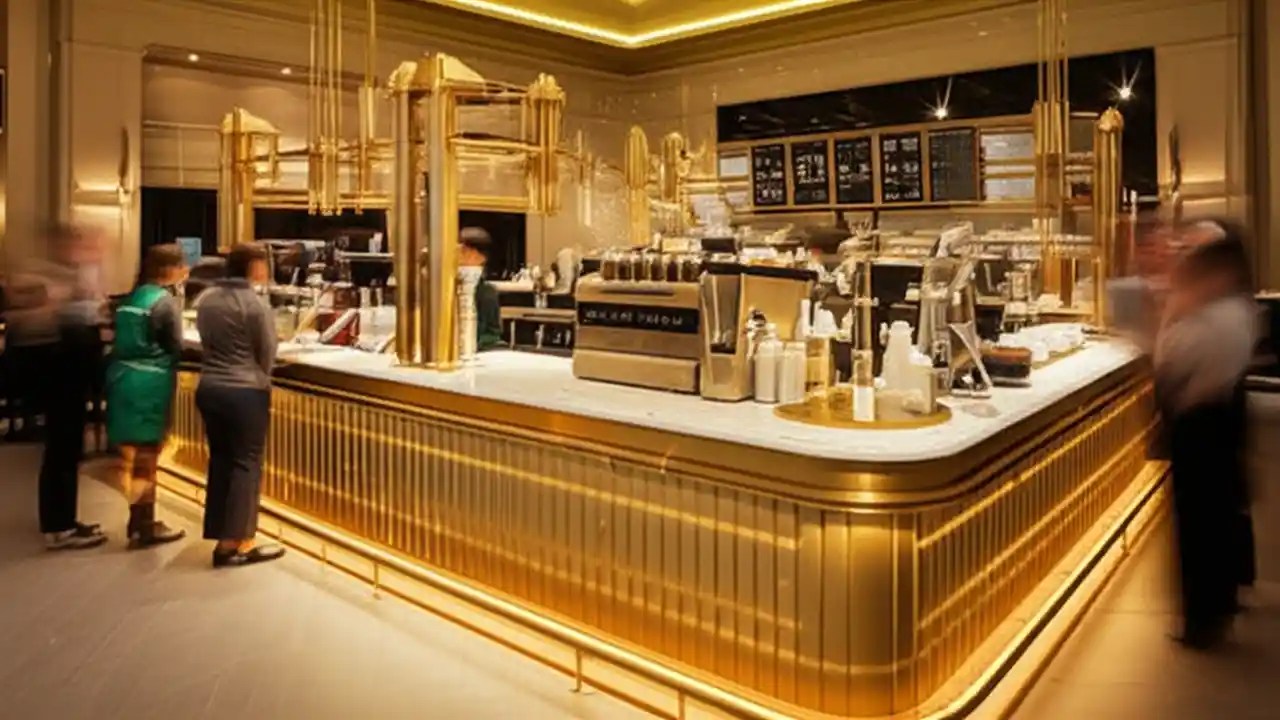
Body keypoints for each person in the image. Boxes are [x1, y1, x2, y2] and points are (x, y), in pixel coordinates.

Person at [1154, 221, 1256, 648]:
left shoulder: (1213, 318)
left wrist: (1174, 309)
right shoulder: (1236, 311)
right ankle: (1225, 598)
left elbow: (1169, 359)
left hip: (1201, 425)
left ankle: (1203, 620)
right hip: (1219, 422)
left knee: (1200, 523)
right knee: (1221, 511)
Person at [195, 242, 285, 568]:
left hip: (209, 388)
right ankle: (236, 545)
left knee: (220, 463)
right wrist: (260, 378)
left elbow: (204, 342)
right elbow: (267, 352)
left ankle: (221, 535)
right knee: (246, 465)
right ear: (253, 268)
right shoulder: (254, 304)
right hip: (245, 393)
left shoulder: (206, 300)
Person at [30, 226, 109, 550]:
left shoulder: (68, 286)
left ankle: (62, 519)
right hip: (64, 381)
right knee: (62, 450)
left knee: (66, 451)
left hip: (66, 381)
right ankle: (59, 525)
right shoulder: (58, 287)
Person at [105, 244, 189, 548]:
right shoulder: (164, 302)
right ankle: (143, 525)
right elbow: (176, 344)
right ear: (170, 269)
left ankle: (139, 520)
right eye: (182, 266)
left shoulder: (133, 298)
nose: (186, 271)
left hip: (122, 379)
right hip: (149, 383)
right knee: (147, 456)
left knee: (134, 454)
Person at [458, 227, 503, 351]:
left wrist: (473, 342)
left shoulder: (487, 293)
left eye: (465, 251)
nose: (458, 256)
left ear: (480, 258)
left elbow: (493, 334)